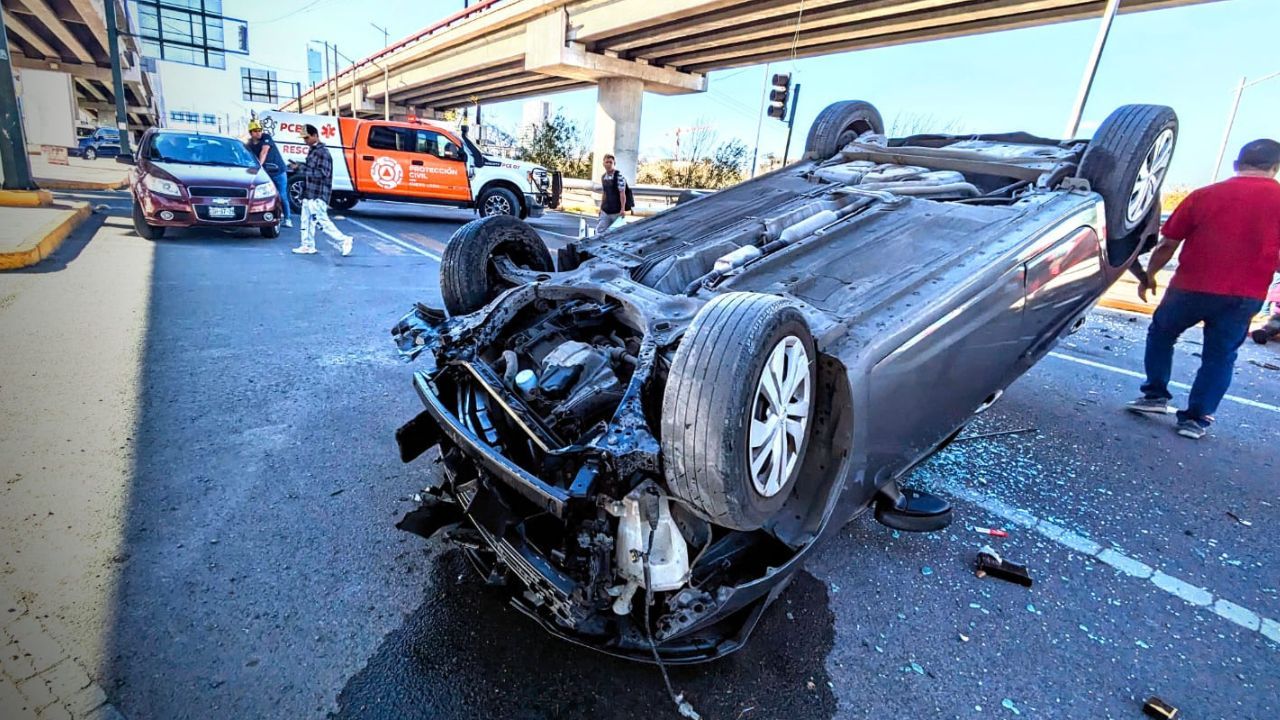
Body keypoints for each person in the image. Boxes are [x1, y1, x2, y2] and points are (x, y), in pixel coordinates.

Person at [1126, 139, 1280, 438]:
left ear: (1236, 165)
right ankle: (1196, 420)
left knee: (1161, 334)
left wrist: (1149, 275)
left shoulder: (1204, 195)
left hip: (1189, 288)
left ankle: (1155, 395)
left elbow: (1168, 243)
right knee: (1220, 356)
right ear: (1275, 168)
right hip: (1244, 296)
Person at [294, 124, 354, 257]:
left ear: (315, 135)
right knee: (306, 220)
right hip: (309, 192)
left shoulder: (323, 153)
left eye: (307, 138)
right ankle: (307, 245)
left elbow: (322, 173)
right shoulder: (314, 150)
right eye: (304, 138)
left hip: (318, 193)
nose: (305, 141)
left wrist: (301, 169)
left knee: (321, 221)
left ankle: (343, 240)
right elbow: (312, 169)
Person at [247, 119, 291, 227]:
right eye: (255, 131)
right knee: (267, 197)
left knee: (282, 195)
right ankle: (270, 217)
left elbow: (264, 152)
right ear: (251, 132)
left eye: (260, 130)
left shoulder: (266, 137)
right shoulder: (250, 144)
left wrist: (258, 166)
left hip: (278, 172)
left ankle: (288, 219)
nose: (259, 132)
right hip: (266, 174)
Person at [596, 154, 634, 235]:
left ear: (614, 164)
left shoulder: (619, 177)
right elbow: (604, 193)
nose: (609, 164)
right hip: (605, 210)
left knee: (616, 233)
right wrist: (601, 208)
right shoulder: (603, 177)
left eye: (611, 162)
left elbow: (622, 193)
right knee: (600, 231)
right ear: (603, 164)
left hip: (616, 212)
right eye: (607, 162)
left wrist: (622, 209)